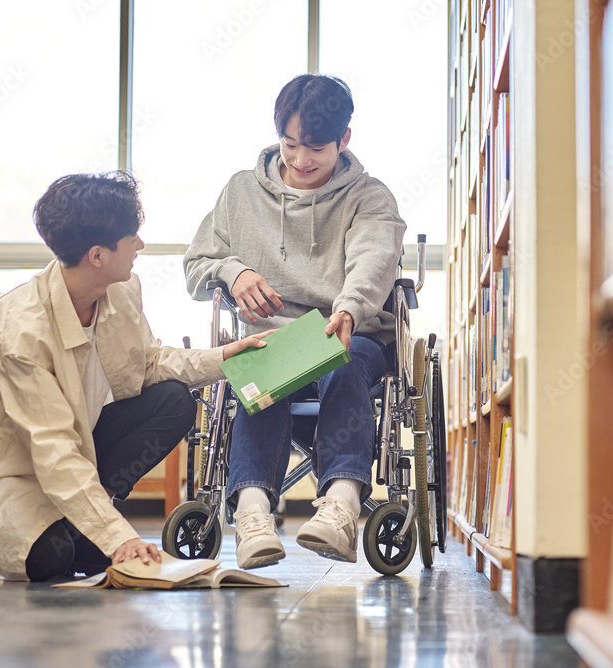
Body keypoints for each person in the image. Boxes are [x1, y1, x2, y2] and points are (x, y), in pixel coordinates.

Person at [0, 171, 270, 582]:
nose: (140, 245)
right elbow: (52, 451)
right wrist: (117, 539)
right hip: (3, 473)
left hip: (72, 451)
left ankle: (87, 516)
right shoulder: (22, 331)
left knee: (174, 400)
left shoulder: (121, 290)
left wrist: (224, 358)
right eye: (132, 238)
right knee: (51, 561)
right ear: (97, 255)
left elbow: (146, 364)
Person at [183, 74, 406, 568]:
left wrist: (348, 306)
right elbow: (197, 266)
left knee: (341, 358)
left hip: (350, 332)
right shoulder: (241, 192)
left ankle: (343, 505)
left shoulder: (369, 196)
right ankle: (253, 513)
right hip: (269, 342)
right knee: (260, 373)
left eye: (316, 149)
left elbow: (373, 258)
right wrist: (233, 270)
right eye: (290, 144)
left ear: (344, 140)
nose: (300, 161)